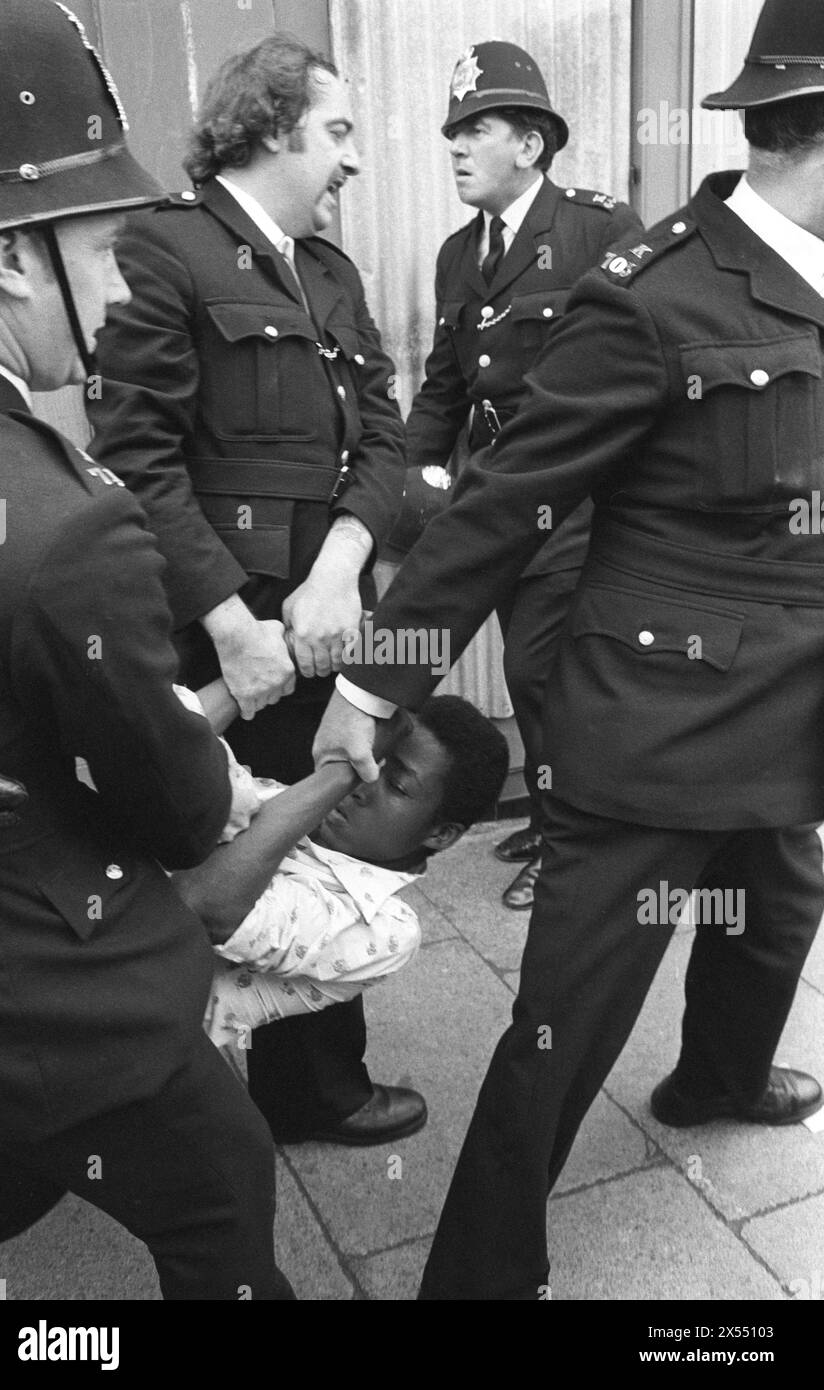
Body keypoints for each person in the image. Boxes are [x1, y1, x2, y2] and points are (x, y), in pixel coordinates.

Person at [314, 0, 824, 1299]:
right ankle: (480, 1274)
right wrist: (374, 679)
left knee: (774, 915)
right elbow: (507, 499)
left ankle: (716, 1076)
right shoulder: (657, 291)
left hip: (788, 707)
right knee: (564, 1023)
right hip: (653, 724)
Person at [0, 0, 292, 1301]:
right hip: (53, 990)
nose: (115, 292)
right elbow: (174, 806)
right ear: (11, 256)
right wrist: (215, 763)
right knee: (223, 1193)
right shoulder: (65, 521)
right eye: (103, 251)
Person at [87, 33, 421, 1148]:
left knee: (329, 832)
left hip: (324, 620)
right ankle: (187, 1087)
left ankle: (308, 1084)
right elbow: (135, 457)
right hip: (225, 638)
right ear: (273, 127)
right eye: (337, 132)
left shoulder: (330, 272)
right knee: (221, 852)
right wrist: (233, 627)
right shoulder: (164, 248)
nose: (353, 160)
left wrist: (338, 570)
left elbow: (384, 431)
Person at [396, 40, 641, 910]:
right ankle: (550, 815)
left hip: (575, 504)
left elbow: (639, 367)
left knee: (546, 676)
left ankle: (576, 846)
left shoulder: (598, 231)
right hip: (496, 500)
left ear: (530, 145)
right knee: (526, 673)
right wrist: (412, 478)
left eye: (477, 129)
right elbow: (444, 385)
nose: (456, 147)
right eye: (453, 132)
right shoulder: (458, 255)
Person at [172, 694, 508, 1058]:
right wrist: (239, 687)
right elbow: (156, 745)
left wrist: (342, 772)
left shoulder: (385, 929)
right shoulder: (292, 804)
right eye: (371, 757)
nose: (363, 782)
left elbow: (201, 903)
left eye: (396, 785)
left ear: (442, 834)